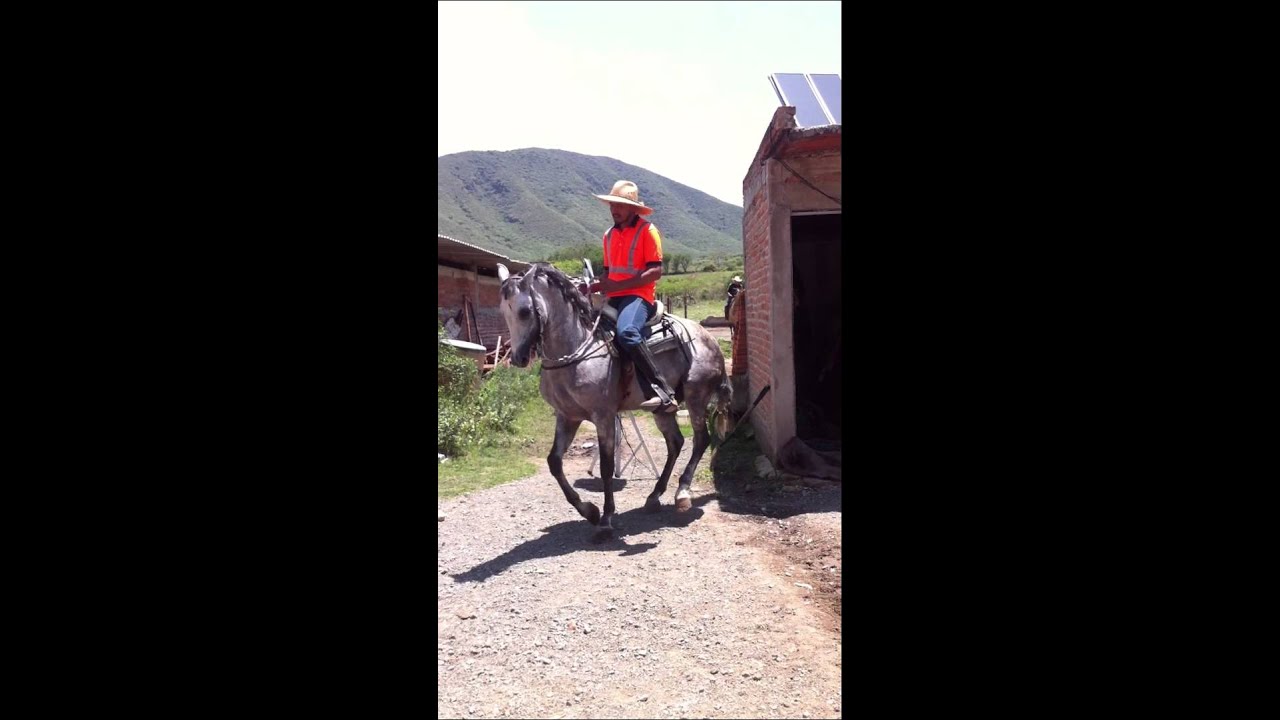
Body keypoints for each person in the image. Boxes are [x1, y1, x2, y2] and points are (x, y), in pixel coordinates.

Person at [584, 180, 678, 413]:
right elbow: (608, 274)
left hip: (638, 296)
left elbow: (655, 271)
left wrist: (619, 286)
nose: (615, 210)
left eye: (621, 206)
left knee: (627, 332)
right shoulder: (608, 236)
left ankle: (662, 390)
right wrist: (594, 288)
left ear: (633, 208)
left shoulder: (648, 231)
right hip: (614, 296)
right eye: (612, 205)